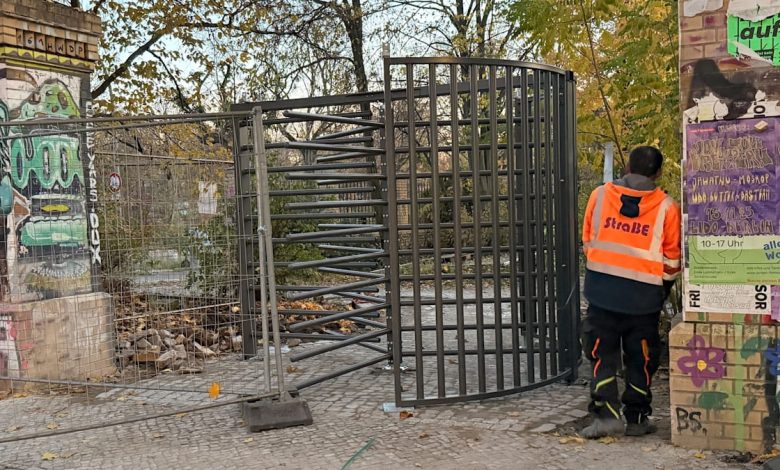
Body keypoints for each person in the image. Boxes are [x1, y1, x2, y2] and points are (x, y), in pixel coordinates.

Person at [579, 145, 682, 438]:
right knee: (641, 358)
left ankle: (606, 417)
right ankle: (636, 418)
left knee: (601, 355)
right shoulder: (666, 207)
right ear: (658, 173)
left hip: (602, 293)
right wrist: (659, 290)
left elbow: (588, 242)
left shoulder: (599, 196)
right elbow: (672, 261)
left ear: (626, 168)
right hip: (644, 301)